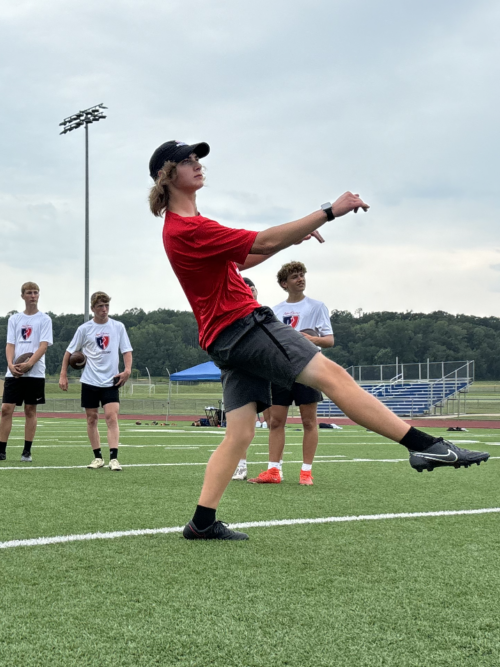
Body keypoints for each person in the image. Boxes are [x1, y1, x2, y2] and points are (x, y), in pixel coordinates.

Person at [149, 139, 489, 541]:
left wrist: (293, 238)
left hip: (223, 338)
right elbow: (263, 241)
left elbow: (244, 258)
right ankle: (425, 445)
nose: (197, 164)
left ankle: (201, 522)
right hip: (244, 324)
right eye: (187, 160)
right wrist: (328, 212)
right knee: (334, 376)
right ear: (166, 175)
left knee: (239, 433)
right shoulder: (189, 227)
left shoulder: (187, 225)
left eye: (197, 158)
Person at [250, 262, 334, 486]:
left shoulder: (317, 306)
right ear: (284, 284)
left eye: (302, 275)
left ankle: (306, 472)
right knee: (276, 421)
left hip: (308, 367)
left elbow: (329, 340)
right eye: (295, 276)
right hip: (281, 370)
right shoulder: (275, 310)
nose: (300, 279)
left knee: (309, 421)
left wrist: (310, 339)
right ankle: (273, 471)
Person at [59, 291, 133, 471]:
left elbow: (126, 350)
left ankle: (114, 458)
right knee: (91, 419)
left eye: (106, 305)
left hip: (111, 380)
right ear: (93, 308)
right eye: (100, 306)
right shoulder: (84, 329)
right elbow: (69, 352)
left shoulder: (118, 326)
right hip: (90, 380)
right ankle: (98, 457)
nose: (104, 309)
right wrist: (63, 374)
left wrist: (127, 370)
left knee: (111, 417)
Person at [0, 282, 53, 463]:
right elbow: (10, 344)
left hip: (35, 372)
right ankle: (1, 451)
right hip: (14, 372)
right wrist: (10, 364)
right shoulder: (14, 319)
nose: (33, 296)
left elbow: (43, 346)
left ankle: (26, 451)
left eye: (35, 292)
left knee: (30, 410)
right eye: (29, 293)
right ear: (22, 296)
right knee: (6, 408)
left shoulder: (44, 319)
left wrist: (29, 364)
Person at [232, 276, 265, 481]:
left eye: (252, 287)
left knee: (274, 421)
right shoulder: (234, 314)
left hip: (264, 370)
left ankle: (275, 467)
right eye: (245, 287)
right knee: (241, 423)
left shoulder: (264, 313)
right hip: (242, 371)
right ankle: (241, 465)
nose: (250, 289)